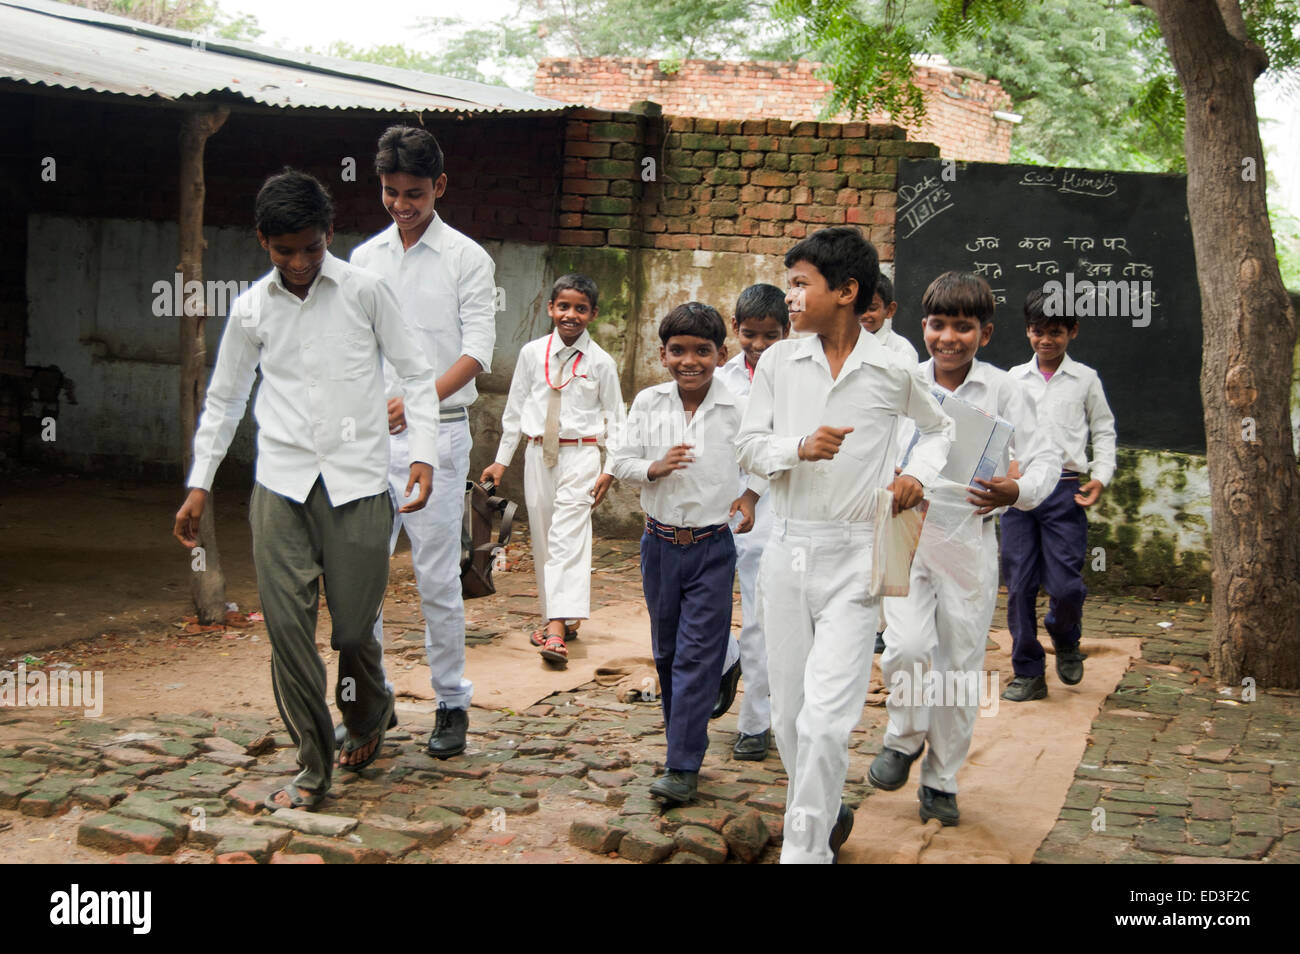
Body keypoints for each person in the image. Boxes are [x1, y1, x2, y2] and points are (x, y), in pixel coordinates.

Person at [172, 169, 441, 811]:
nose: (298, 262)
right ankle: (313, 765)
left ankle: (371, 710)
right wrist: (198, 483)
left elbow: (417, 372)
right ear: (263, 241)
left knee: (352, 631)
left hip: (357, 485)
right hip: (280, 487)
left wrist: (424, 456)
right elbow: (227, 397)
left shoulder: (365, 292)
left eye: (311, 248)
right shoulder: (251, 309)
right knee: (289, 632)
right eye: (283, 249)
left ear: (328, 235)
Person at [736, 227, 953, 863]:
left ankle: (805, 854)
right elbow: (748, 448)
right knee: (788, 718)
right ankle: (825, 814)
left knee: (826, 723)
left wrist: (918, 475)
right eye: (790, 283)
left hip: (859, 557)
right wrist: (795, 448)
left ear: (847, 291)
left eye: (802, 283)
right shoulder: (778, 362)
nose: (790, 296)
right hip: (787, 550)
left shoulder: (893, 366)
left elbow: (939, 430)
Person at [870, 271, 1060, 826]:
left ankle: (942, 779)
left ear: (986, 332)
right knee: (904, 647)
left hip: (968, 536)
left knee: (958, 662)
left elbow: (1045, 459)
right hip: (905, 527)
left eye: (963, 326)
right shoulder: (900, 379)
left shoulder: (1007, 390)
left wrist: (1017, 490)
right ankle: (903, 738)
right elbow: (871, 444)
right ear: (921, 325)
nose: (948, 337)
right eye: (937, 324)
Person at [350, 126, 498, 760]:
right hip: (367, 440)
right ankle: (373, 703)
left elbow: (476, 357)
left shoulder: (468, 259)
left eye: (414, 192)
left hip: (439, 436)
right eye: (390, 192)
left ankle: (450, 703)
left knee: (437, 576)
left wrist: (415, 401)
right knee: (360, 581)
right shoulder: (363, 259)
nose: (401, 204)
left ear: (439, 186)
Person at [609, 302, 761, 805]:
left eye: (702, 350)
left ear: (721, 354)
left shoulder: (738, 408)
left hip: (712, 547)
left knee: (695, 655)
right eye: (678, 351)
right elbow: (622, 460)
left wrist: (750, 495)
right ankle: (700, 708)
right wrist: (655, 467)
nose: (689, 360)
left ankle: (682, 763)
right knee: (668, 652)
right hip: (658, 545)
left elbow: (763, 458)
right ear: (663, 354)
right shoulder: (649, 402)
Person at [481, 274, 622, 667]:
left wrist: (610, 469)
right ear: (550, 309)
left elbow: (619, 420)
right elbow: (515, 410)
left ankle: (556, 631)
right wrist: (501, 459)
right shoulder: (531, 354)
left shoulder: (601, 363)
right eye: (564, 307)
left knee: (567, 538)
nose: (570, 315)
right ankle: (559, 617)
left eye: (580, 308)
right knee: (544, 538)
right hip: (538, 455)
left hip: (582, 456)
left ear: (592, 314)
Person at [1000, 288, 1117, 701]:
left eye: (1055, 332)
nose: (1045, 340)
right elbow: (1001, 431)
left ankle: (1065, 634)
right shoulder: (1012, 379)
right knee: (1018, 585)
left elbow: (1103, 430)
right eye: (1037, 331)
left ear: (1072, 331)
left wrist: (1100, 476)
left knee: (1065, 585)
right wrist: (1006, 467)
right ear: (1027, 332)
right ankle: (1028, 672)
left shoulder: (1084, 379)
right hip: (1020, 491)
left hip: (1066, 490)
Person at [711, 283, 788, 761]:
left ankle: (755, 721)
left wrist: (753, 492)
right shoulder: (720, 379)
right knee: (707, 610)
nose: (759, 346)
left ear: (787, 332)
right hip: (716, 509)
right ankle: (726, 660)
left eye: (771, 336)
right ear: (735, 328)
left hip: (767, 509)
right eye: (750, 334)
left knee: (761, 617)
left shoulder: (794, 379)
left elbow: (783, 446)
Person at [859, 273, 919, 364]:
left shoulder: (902, 351)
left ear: (890, 310)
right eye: (859, 307)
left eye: (872, 308)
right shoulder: (841, 344)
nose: (864, 315)